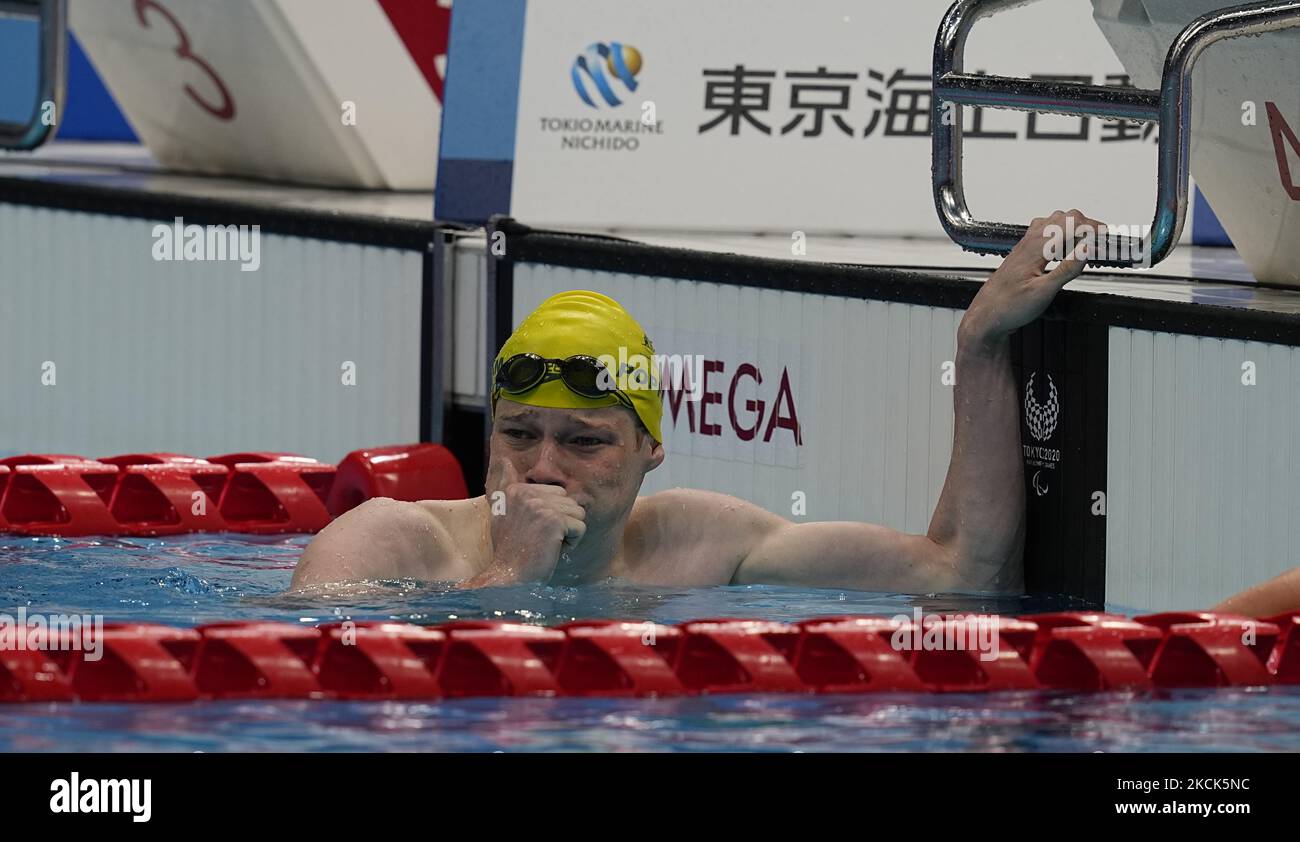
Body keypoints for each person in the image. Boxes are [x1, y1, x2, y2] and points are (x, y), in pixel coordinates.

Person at [291, 210, 1103, 593]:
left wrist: (981, 344)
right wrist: (511, 577)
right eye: (520, 433)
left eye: (584, 441)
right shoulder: (385, 545)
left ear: (652, 448)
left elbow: (963, 576)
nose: (541, 467)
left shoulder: (700, 545)